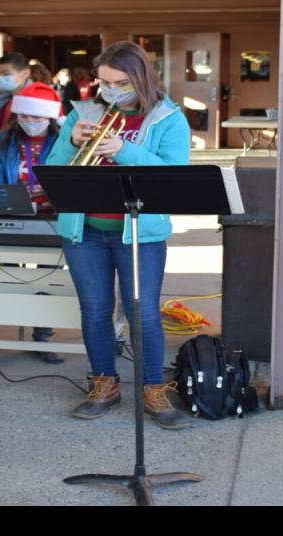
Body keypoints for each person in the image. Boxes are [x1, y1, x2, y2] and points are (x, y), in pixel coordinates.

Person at [43, 41, 190, 428]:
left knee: (143, 314)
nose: (109, 90)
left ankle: (153, 388)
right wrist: (71, 142)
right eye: (103, 82)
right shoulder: (84, 113)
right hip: (85, 229)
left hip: (140, 232)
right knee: (94, 311)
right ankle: (104, 382)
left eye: (119, 83)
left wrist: (124, 149)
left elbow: (173, 176)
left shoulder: (169, 119)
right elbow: (53, 171)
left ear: (141, 79)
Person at [0, 81, 62, 363]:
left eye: (37, 117)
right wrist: (10, 204)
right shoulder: (2, 141)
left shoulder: (64, 142)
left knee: (47, 276)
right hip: (9, 217)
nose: (30, 122)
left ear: (50, 117)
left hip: (51, 221)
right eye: (24, 116)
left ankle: (42, 336)